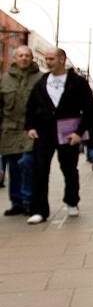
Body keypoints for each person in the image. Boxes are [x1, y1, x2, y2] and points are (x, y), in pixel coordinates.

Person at [25, 48, 93, 223]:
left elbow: (89, 109)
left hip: (68, 131)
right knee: (40, 169)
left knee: (69, 169)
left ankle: (72, 201)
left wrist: (79, 132)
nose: (48, 61)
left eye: (51, 58)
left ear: (62, 59)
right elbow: (31, 107)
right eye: (46, 58)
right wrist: (30, 127)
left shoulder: (77, 82)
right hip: (44, 132)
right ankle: (39, 210)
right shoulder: (42, 82)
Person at [0, 45, 43, 216]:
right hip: (9, 131)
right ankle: (16, 202)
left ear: (32, 58)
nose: (24, 58)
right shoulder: (4, 79)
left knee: (26, 163)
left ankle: (28, 200)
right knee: (13, 167)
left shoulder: (40, 78)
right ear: (14, 58)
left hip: (30, 130)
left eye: (27, 55)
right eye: (20, 55)